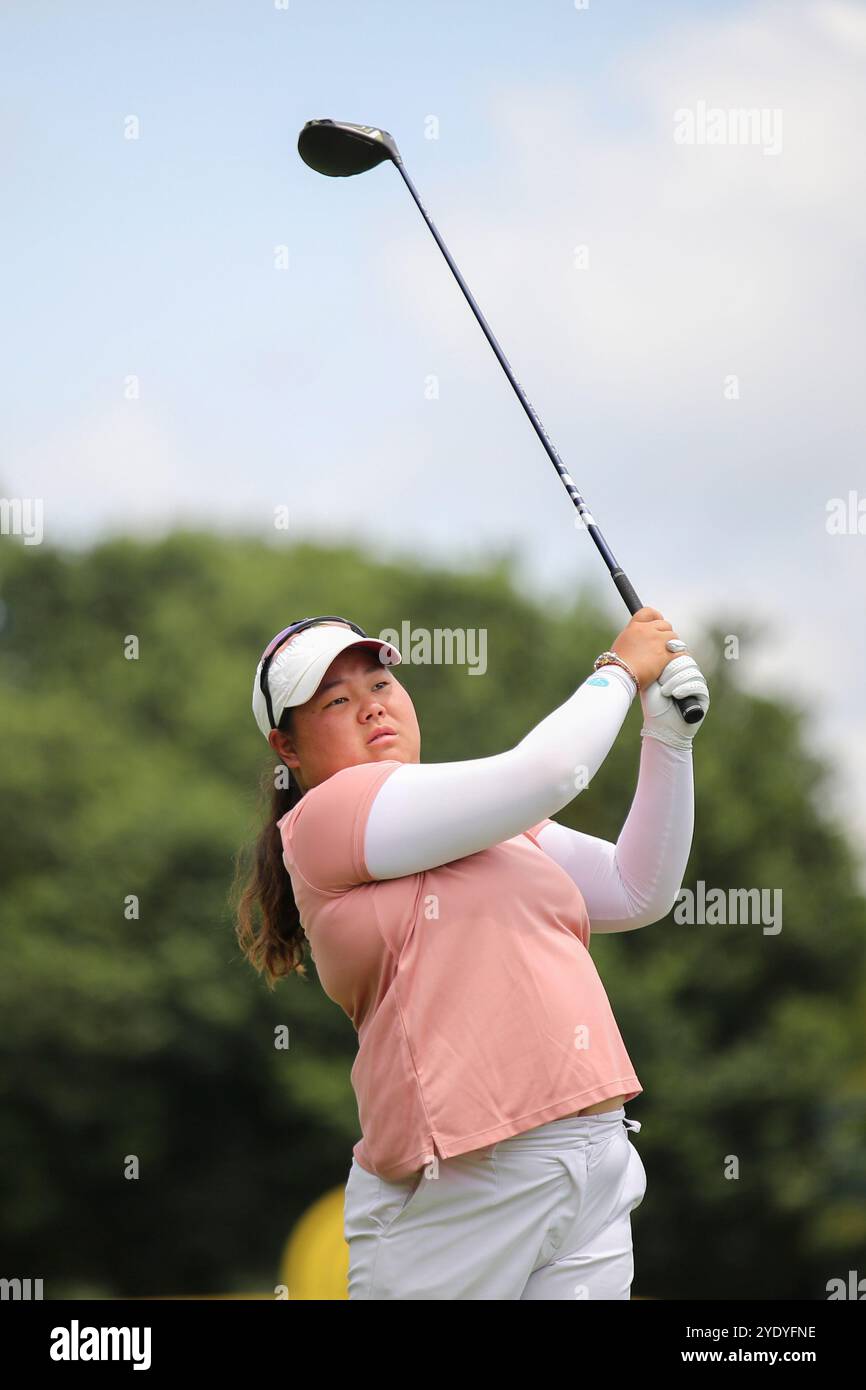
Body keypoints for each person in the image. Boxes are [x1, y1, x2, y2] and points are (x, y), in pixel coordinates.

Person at [235, 609, 710, 1300]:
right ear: (289, 748)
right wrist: (617, 672)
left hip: (595, 1160)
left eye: (380, 684)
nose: (372, 708)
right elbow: (549, 771)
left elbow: (636, 890)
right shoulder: (325, 818)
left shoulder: (496, 822)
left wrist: (668, 740)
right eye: (337, 701)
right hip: (455, 1188)